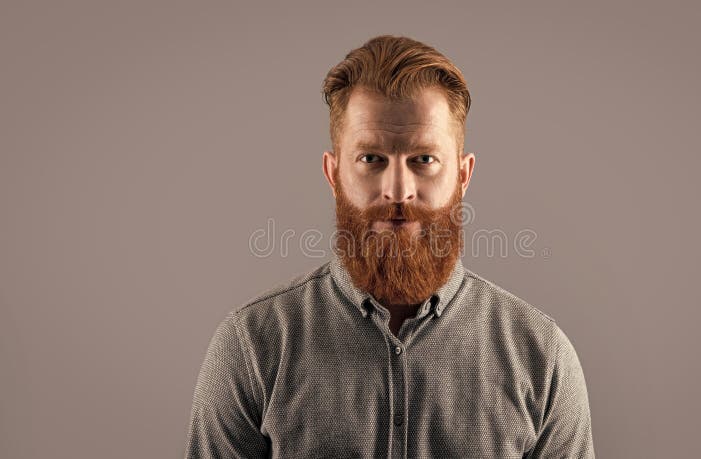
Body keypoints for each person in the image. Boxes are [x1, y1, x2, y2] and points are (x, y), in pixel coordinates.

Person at [184, 34, 595, 458]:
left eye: (424, 160)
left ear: (463, 175)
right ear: (333, 174)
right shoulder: (250, 347)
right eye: (371, 159)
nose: (398, 191)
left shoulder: (543, 357)